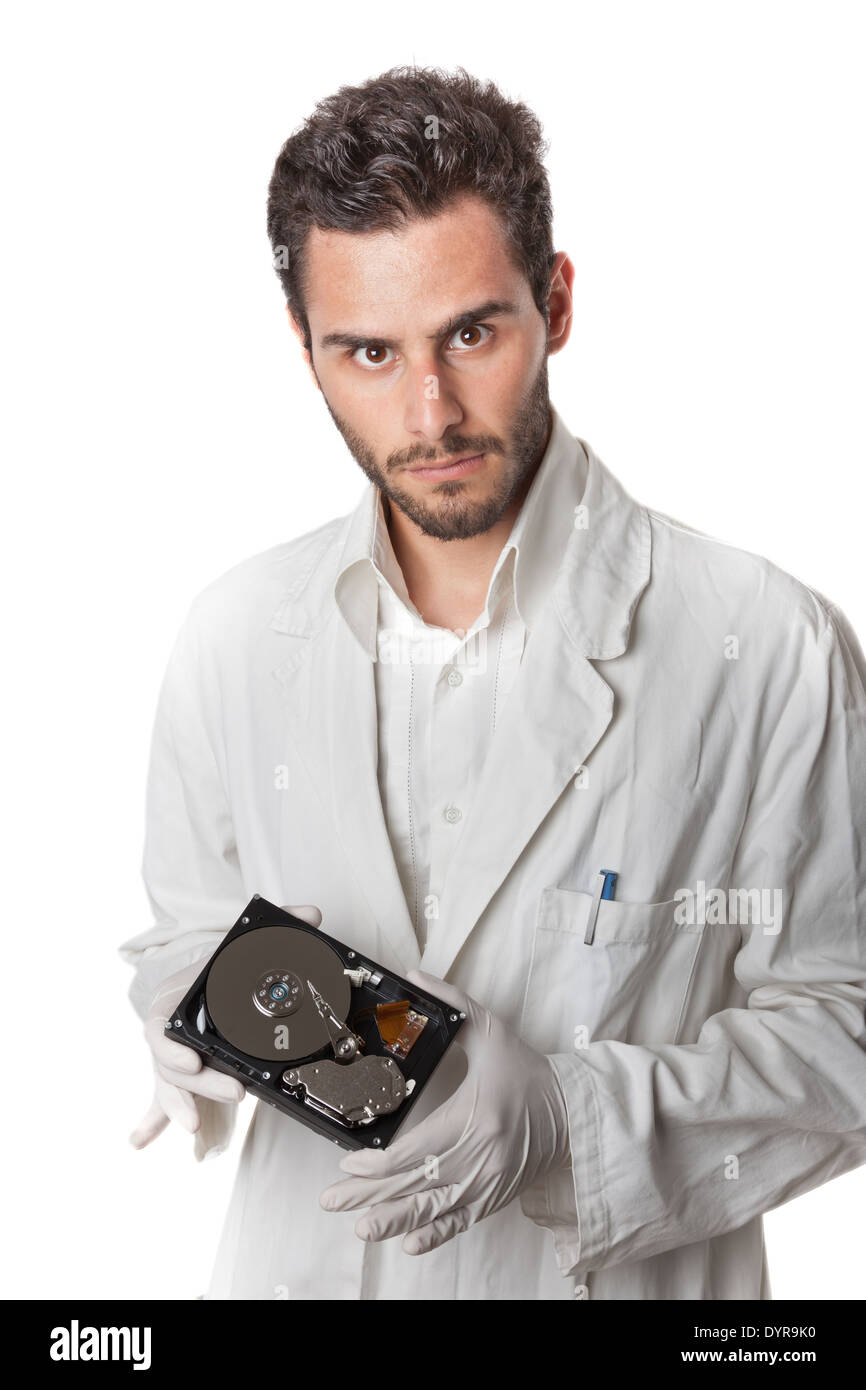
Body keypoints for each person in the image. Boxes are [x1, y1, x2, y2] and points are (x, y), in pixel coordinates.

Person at [121, 66, 866, 1301]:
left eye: (470, 332)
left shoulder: (766, 642)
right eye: (367, 351)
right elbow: (188, 930)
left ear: (555, 302)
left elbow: (848, 1025)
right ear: (303, 350)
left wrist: (572, 1121)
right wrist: (184, 1008)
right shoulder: (236, 635)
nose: (431, 410)